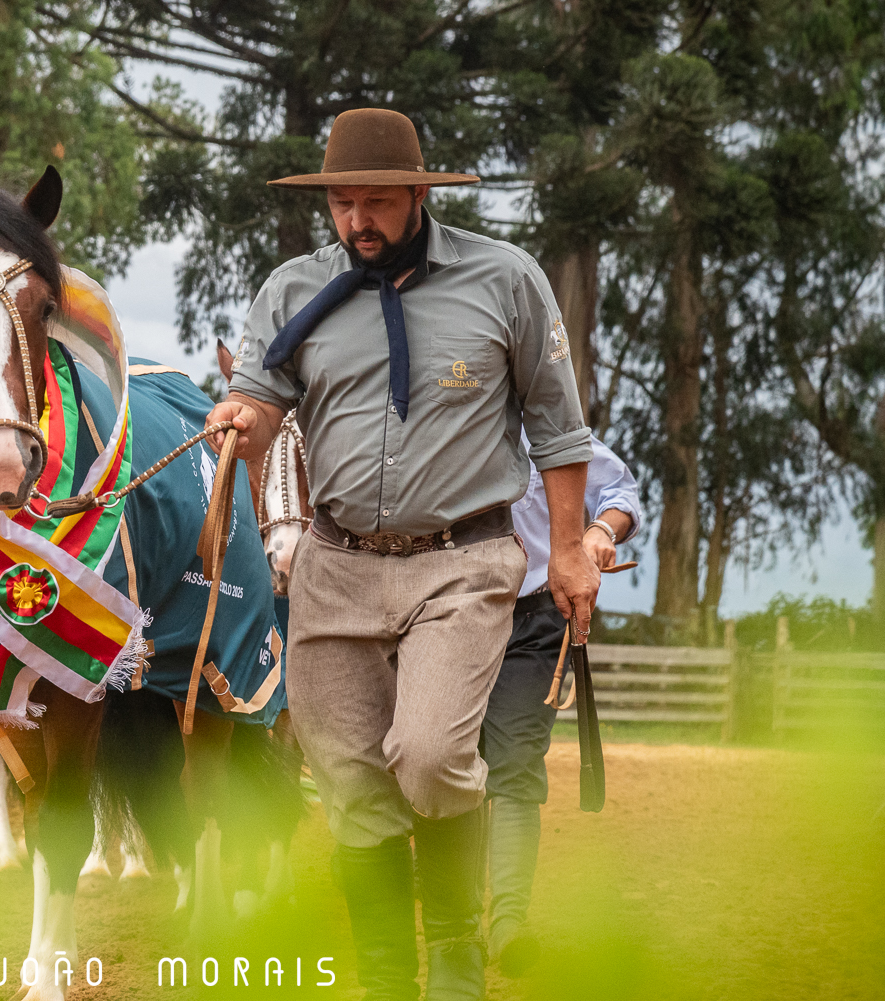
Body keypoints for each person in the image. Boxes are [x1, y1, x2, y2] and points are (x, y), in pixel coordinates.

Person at [207, 108, 599, 1000]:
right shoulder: (291, 289)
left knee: (426, 753)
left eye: (377, 201)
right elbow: (265, 400)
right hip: (334, 565)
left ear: (419, 194)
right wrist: (246, 419)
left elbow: (559, 428)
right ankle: (388, 975)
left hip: (461, 559)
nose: (358, 222)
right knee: (347, 776)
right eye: (343, 203)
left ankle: (457, 958)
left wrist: (570, 551)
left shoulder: (507, 280)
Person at [483, 431, 640, 975]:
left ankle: (507, 920)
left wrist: (597, 530)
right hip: (447, 614)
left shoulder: (547, 433)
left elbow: (620, 492)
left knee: (515, 760)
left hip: (533, 619)